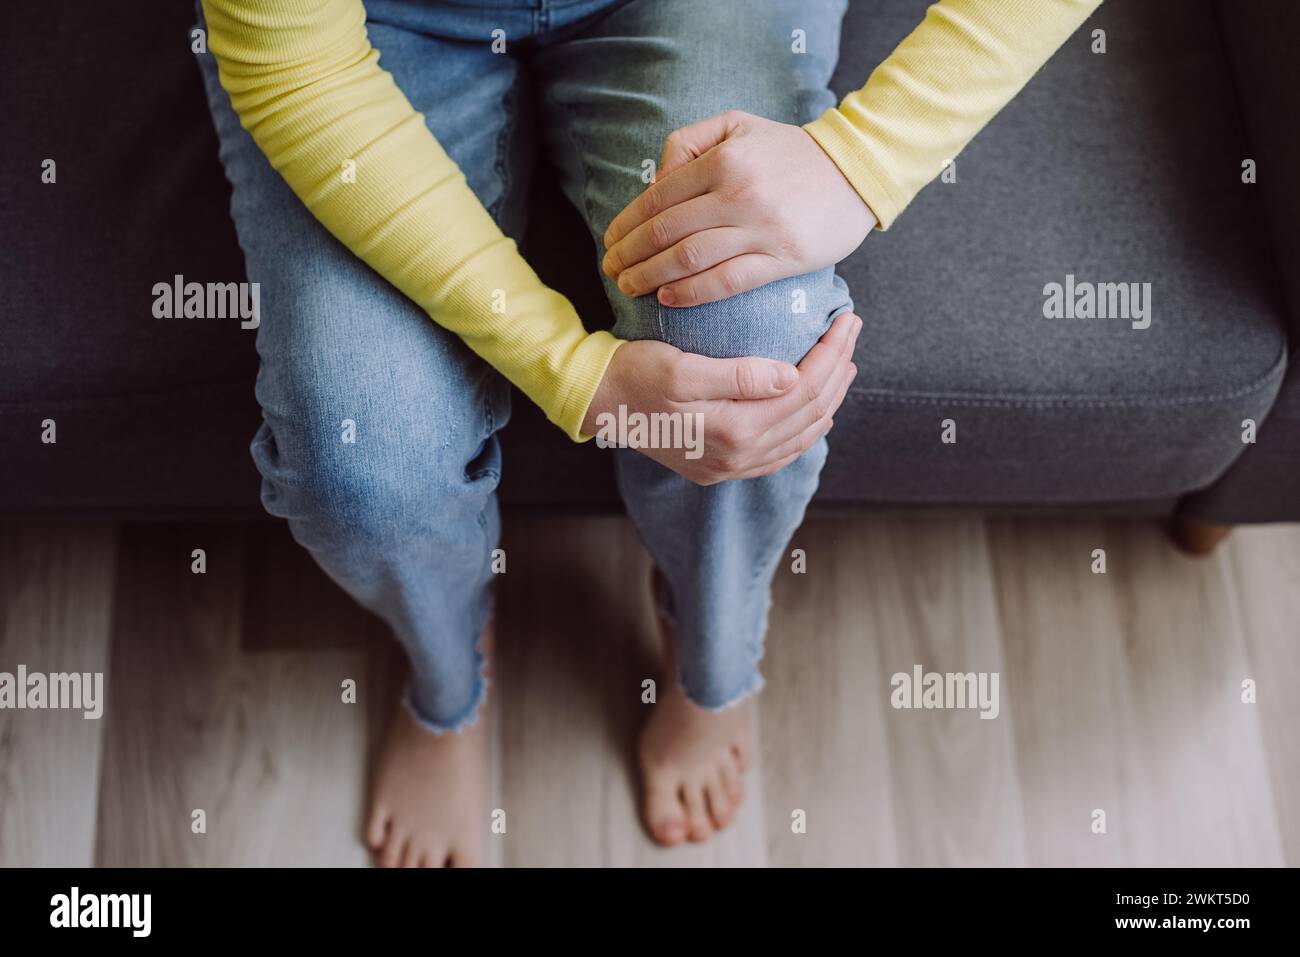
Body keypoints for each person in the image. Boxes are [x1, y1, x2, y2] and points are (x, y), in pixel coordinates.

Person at [198, 0, 1100, 866]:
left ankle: (712, 655)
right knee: (361, 464)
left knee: (756, 350)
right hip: (371, 24)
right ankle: (448, 677)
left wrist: (863, 161)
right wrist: (574, 375)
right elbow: (294, 61)